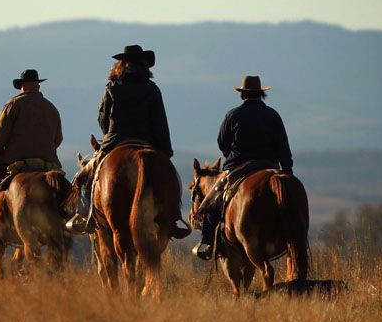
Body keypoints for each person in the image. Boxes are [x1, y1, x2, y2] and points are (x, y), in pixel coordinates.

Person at [66, 44, 190, 238]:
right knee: (172, 177)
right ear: (144, 65)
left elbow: (102, 118)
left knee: (87, 177)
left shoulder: (112, 88)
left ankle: (87, 215)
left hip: (116, 140)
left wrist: (108, 136)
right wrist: (166, 151)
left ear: (121, 65)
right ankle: (173, 216)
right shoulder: (152, 89)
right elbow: (160, 122)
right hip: (148, 141)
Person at [192, 75, 293, 259]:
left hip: (238, 167)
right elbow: (283, 147)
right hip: (270, 165)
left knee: (213, 201)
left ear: (242, 94)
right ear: (261, 93)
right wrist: (287, 172)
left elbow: (222, 143)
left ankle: (207, 243)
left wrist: (231, 157)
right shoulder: (273, 115)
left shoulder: (233, 115)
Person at [0, 69, 63, 240]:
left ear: (22, 86)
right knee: (67, 193)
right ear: (38, 85)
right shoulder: (52, 108)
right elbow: (58, 139)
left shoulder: (13, 105)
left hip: (15, 164)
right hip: (48, 165)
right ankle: (70, 221)